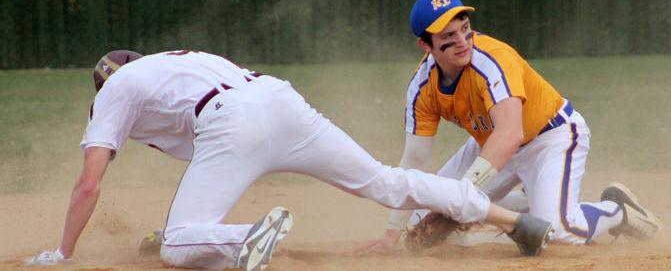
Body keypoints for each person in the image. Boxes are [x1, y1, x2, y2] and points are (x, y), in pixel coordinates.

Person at [24, 49, 553, 269]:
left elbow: (89, 184)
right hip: (277, 99)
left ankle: (244, 238)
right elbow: (211, 154)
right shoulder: (171, 66)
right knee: (386, 182)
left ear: (102, 87)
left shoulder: (113, 94)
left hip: (233, 122)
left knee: (180, 246)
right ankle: (512, 222)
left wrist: (63, 254)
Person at [358, 0, 662, 252]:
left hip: (550, 137)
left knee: (559, 231)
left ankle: (618, 211)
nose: (463, 40)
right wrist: (392, 232)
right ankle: (533, 201)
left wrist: (462, 197)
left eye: (465, 28)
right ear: (425, 45)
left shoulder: (492, 60)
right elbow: (415, 158)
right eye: (448, 36)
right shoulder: (422, 87)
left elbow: (511, 132)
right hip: (492, 146)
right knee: (421, 225)